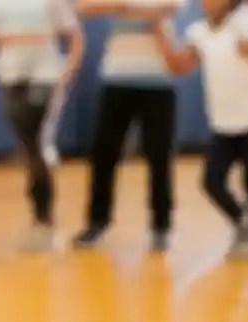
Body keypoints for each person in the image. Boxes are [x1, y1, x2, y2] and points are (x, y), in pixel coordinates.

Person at [153, 0, 248, 260]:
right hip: (223, 122)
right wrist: (160, 34)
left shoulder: (244, 21)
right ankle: (244, 221)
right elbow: (179, 66)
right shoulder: (198, 32)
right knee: (211, 181)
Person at [73, 0, 181, 253]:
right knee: (103, 155)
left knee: (159, 157)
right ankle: (97, 221)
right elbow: (84, 8)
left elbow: (167, 9)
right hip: (116, 78)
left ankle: (161, 226)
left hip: (159, 81)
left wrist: (119, 7)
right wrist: (126, 7)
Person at [0, 0, 84, 252]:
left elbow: (75, 37)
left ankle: (44, 220)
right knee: (27, 145)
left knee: (37, 141)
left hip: (46, 76)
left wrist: (66, 73)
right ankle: (39, 218)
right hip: (11, 75)